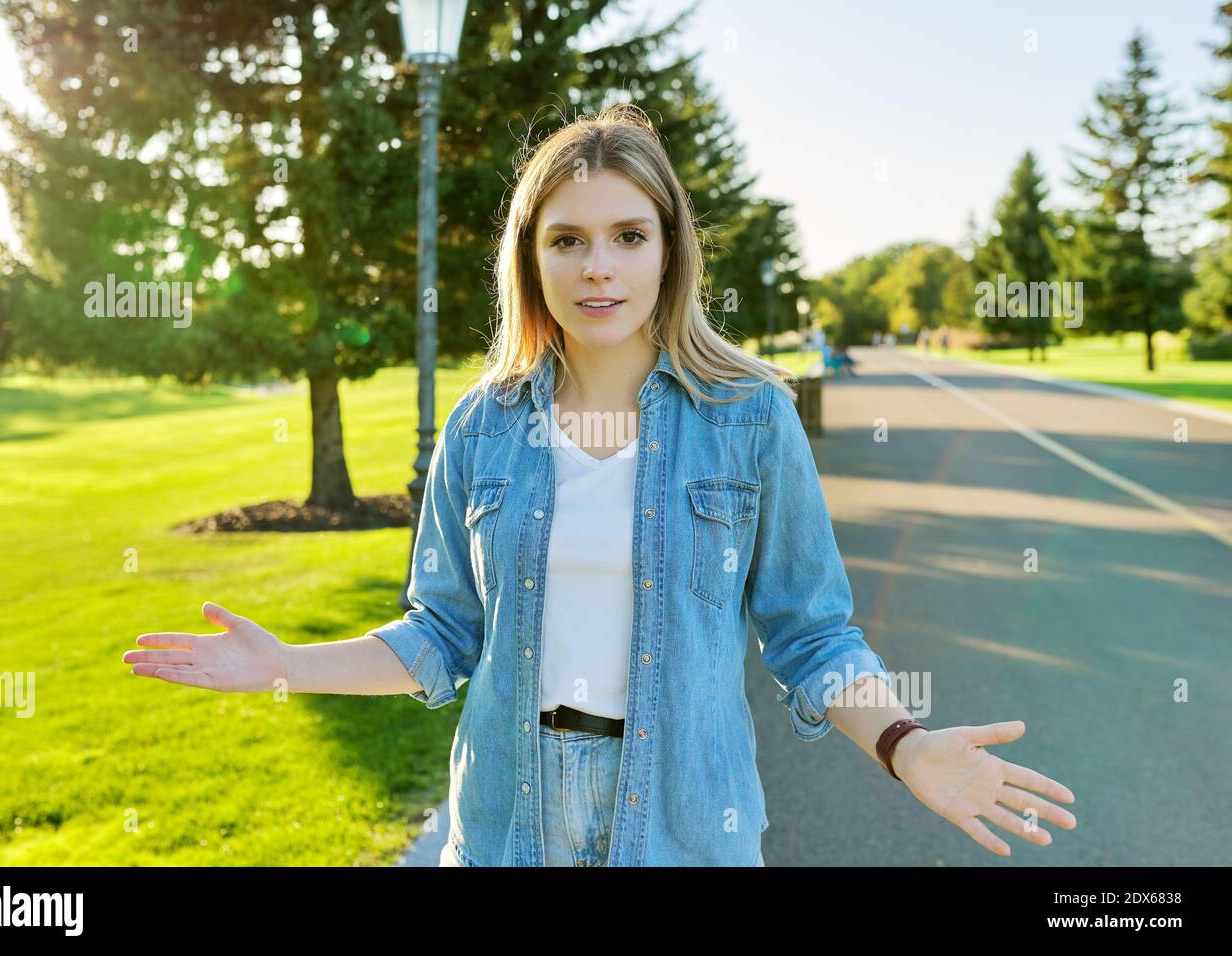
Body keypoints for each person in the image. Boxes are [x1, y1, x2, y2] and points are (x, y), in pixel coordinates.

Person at [122, 103, 1076, 867]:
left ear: (669, 251)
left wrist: (906, 747)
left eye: (628, 235)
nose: (599, 268)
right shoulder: (482, 426)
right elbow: (443, 635)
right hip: (507, 826)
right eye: (567, 240)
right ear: (531, 260)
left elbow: (810, 631)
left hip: (687, 827)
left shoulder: (750, 418)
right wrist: (284, 663)